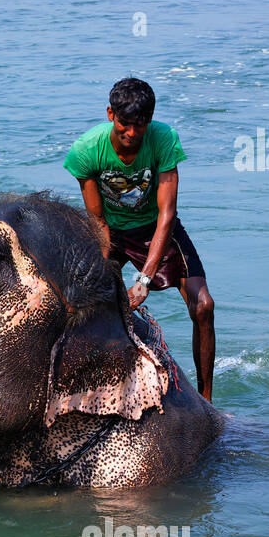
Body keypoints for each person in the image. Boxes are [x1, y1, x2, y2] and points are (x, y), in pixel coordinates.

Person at [63, 77, 215, 401]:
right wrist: (106, 271)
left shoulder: (164, 140)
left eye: (140, 125)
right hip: (111, 232)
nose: (132, 133)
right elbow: (97, 220)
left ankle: (206, 399)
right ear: (110, 114)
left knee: (203, 306)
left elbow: (167, 215)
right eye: (125, 124)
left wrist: (143, 279)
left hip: (154, 228)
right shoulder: (86, 151)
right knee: (79, 303)